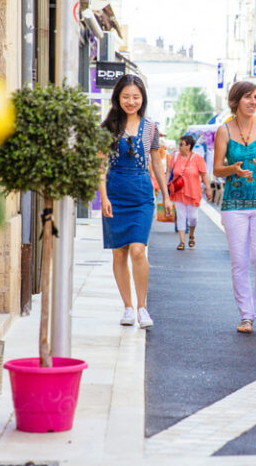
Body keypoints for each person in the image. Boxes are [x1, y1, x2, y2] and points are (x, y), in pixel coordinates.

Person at [99, 74, 173, 329]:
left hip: (142, 194)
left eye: (136, 97)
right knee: (119, 252)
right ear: (118, 98)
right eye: (126, 97)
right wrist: (104, 197)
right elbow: (99, 164)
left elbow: (156, 163)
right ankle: (128, 307)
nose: (131, 101)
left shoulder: (151, 127)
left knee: (138, 250)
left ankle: (142, 307)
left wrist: (166, 194)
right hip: (115, 193)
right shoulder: (108, 127)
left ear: (143, 99)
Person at [213, 81, 256, 334]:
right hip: (233, 204)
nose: (253, 102)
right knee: (239, 262)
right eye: (247, 98)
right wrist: (234, 169)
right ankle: (245, 316)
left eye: (255, 97)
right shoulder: (224, 131)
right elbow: (217, 169)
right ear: (236, 101)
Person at [169, 134, 211, 250]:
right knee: (181, 216)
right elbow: (168, 172)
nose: (179, 147)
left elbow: (204, 174)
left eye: (181, 144)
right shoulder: (175, 156)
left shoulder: (198, 158)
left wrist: (208, 188)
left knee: (193, 217)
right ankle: (182, 241)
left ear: (188, 146)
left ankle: (191, 235)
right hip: (178, 191)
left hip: (193, 192)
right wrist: (166, 185)